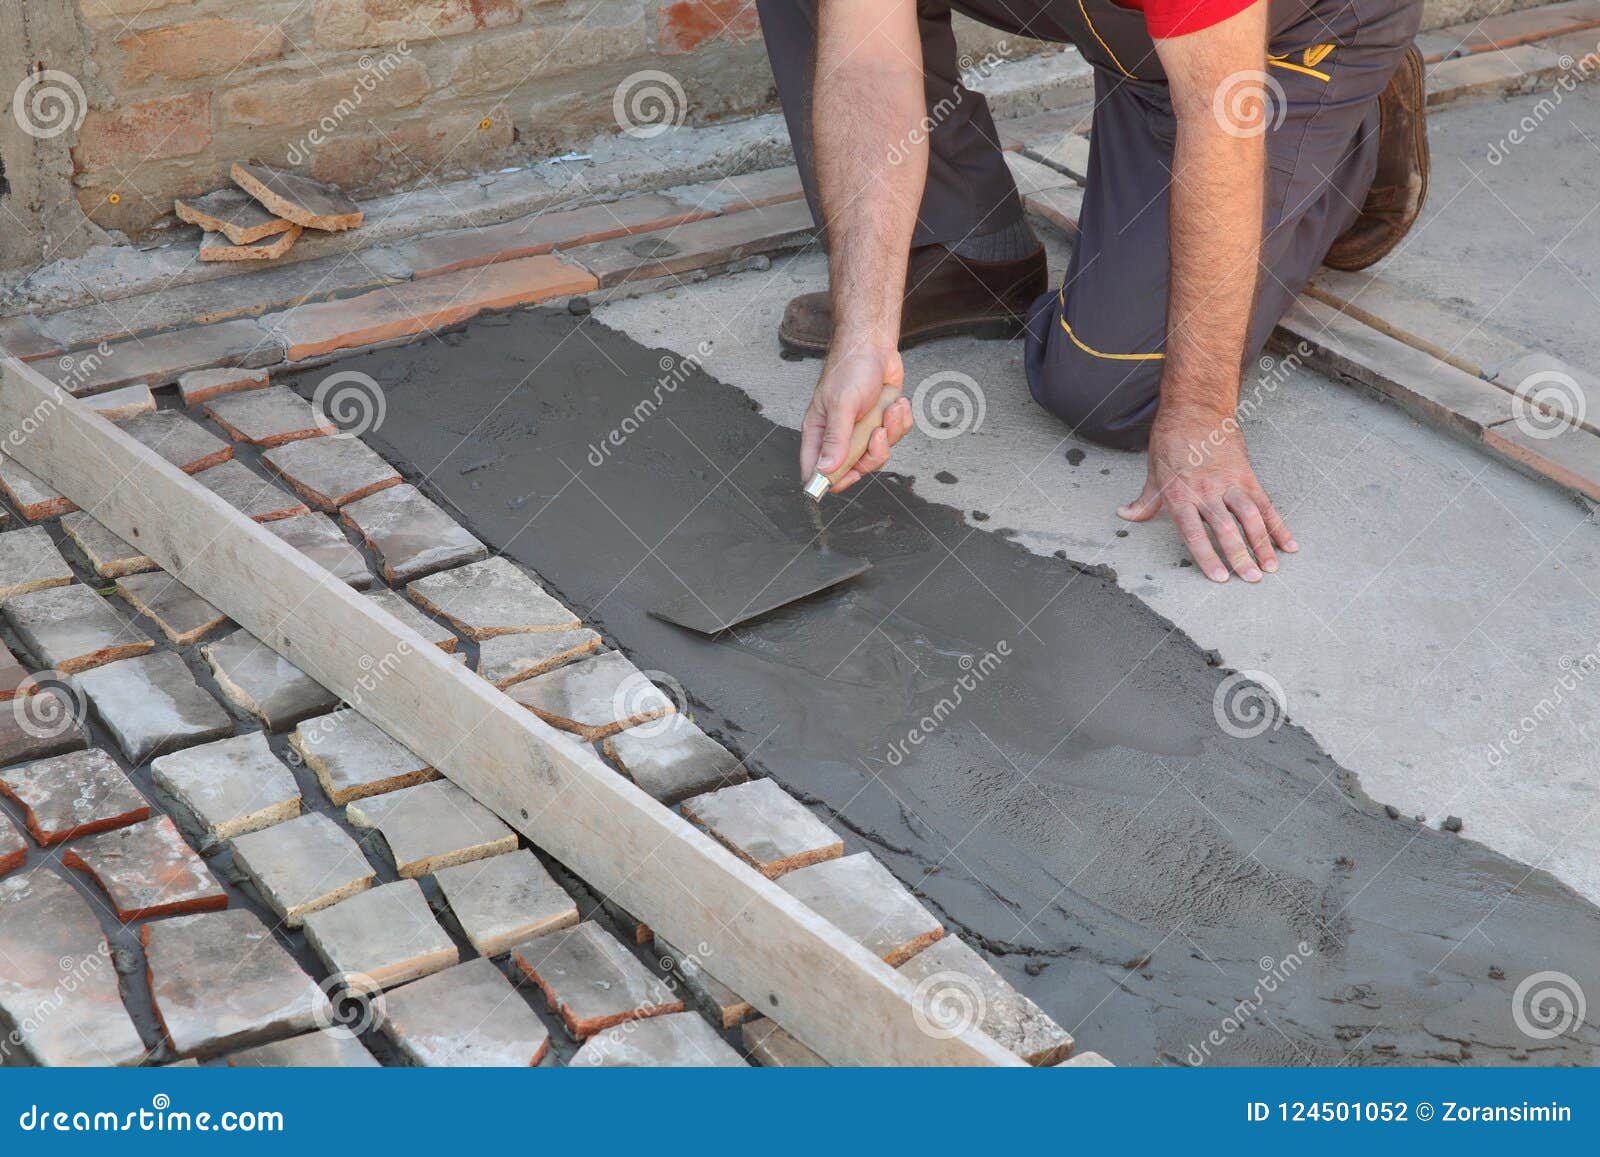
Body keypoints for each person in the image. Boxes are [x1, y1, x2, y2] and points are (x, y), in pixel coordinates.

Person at [758, 0, 1428, 581]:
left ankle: (1345, 129)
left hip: (1275, 46)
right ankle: (955, 249)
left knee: (1109, 389)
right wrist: (864, 334)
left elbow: (1218, 120)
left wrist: (1199, 412)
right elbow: (869, 68)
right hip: (1155, 33)